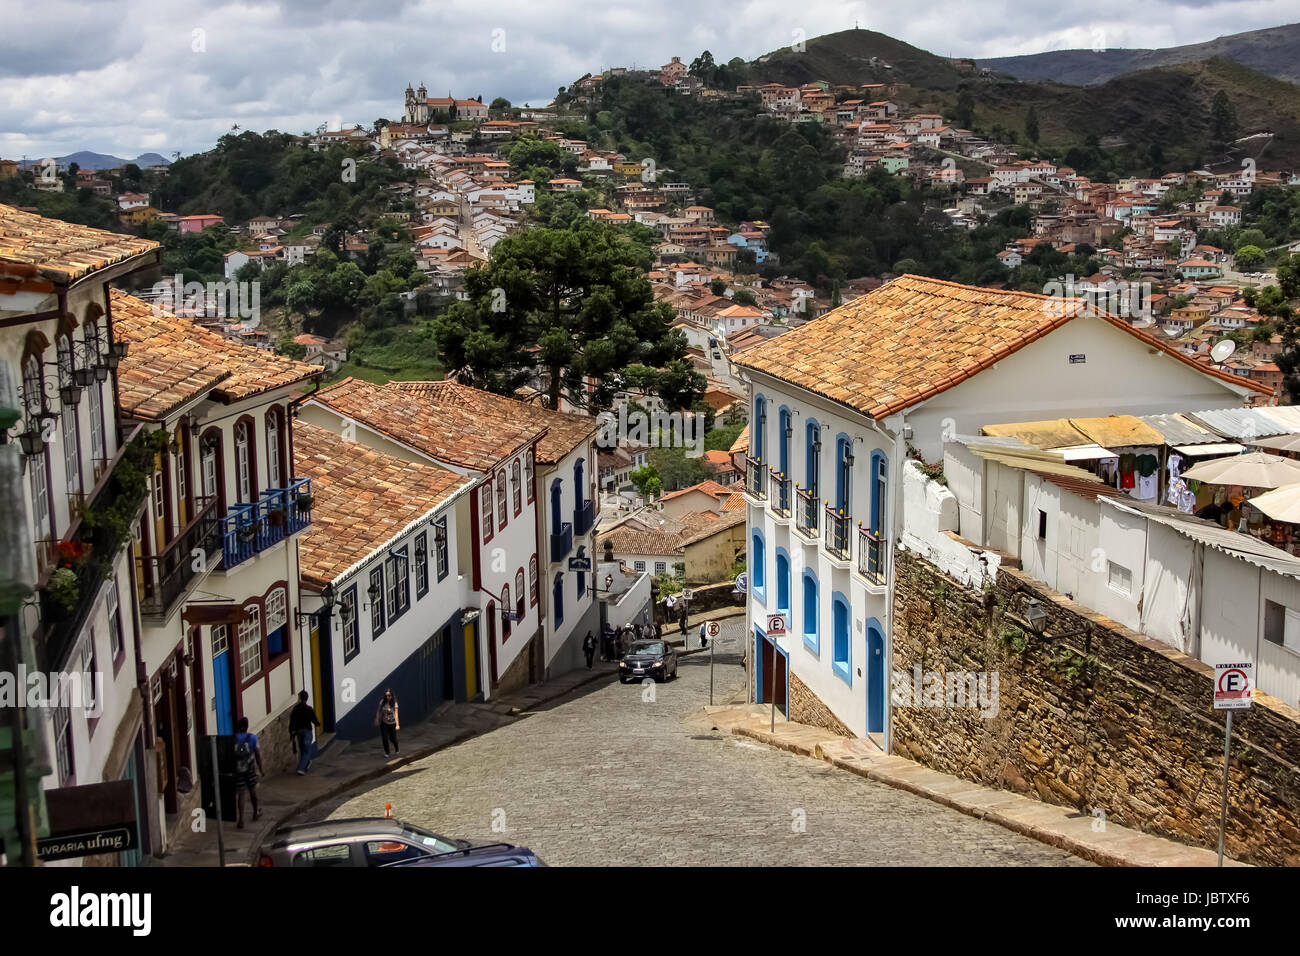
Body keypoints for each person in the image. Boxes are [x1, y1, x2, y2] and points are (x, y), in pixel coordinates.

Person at [232, 716, 263, 829]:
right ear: (246, 727)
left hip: (238, 770)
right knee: (252, 790)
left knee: (241, 794)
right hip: (249, 769)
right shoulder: (252, 738)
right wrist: (261, 769)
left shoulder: (233, 739)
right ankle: (255, 812)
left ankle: (241, 819)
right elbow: (257, 755)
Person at [289, 690, 321, 776]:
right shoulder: (309, 709)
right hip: (307, 731)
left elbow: (292, 721)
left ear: (300, 698)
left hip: (299, 731)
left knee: (302, 749)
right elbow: (314, 720)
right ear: (307, 698)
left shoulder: (295, 709)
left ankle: (306, 763)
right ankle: (301, 768)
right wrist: (318, 723)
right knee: (306, 750)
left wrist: (291, 732)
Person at [376, 690, 400, 756]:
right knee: (384, 738)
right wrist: (377, 719)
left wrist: (397, 725)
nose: (387, 697)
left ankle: (397, 748)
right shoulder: (382, 702)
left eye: (389, 696)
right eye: (386, 696)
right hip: (384, 723)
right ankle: (387, 752)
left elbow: (396, 714)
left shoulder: (394, 703)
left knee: (393, 739)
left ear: (391, 696)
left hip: (392, 723)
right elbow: (379, 711)